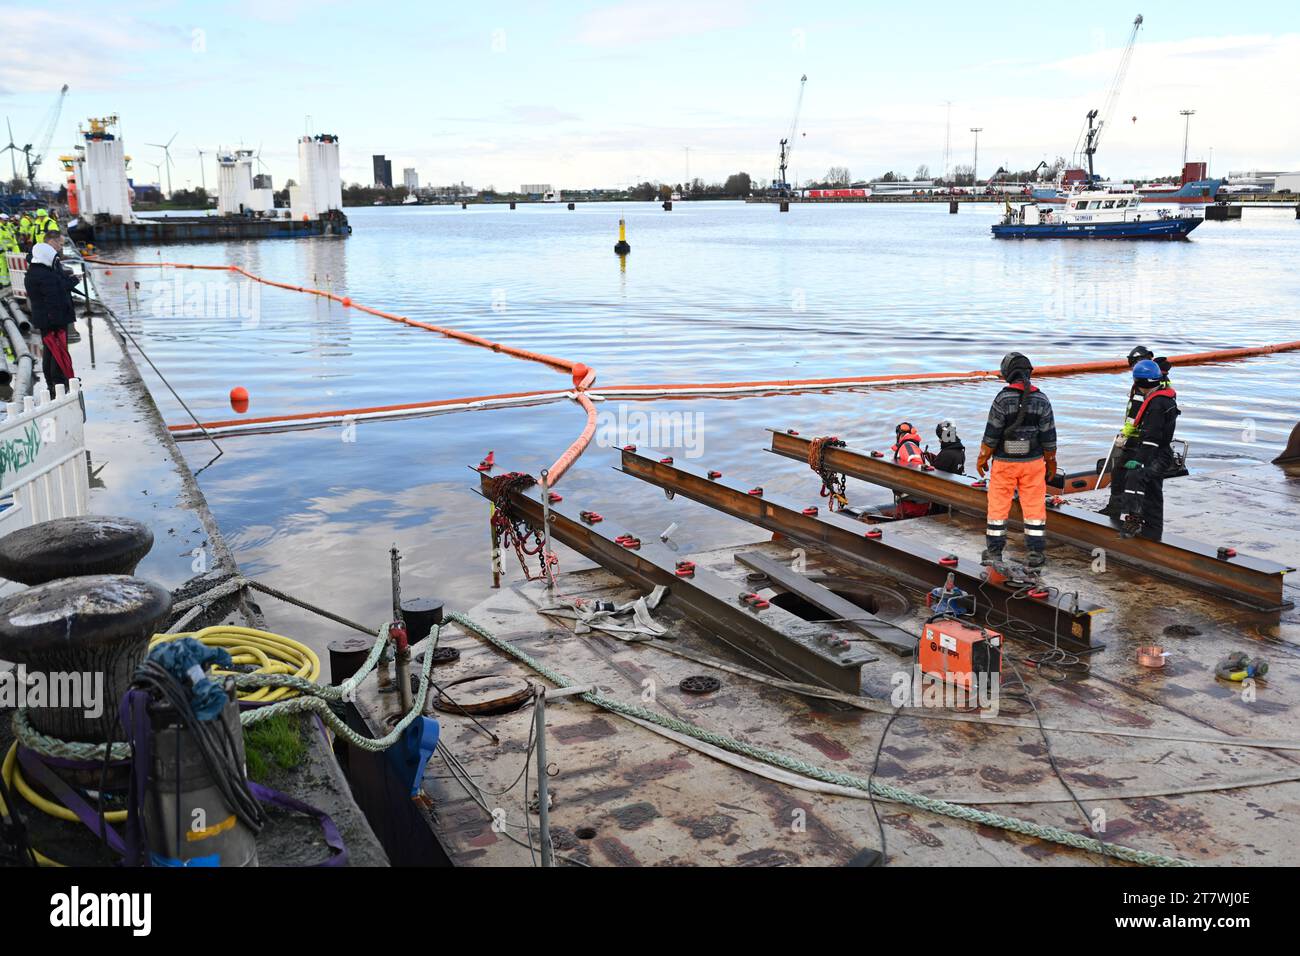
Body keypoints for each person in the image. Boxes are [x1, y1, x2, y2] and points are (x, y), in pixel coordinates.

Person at [977, 352, 1057, 570]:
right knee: (1034, 508)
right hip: (1033, 463)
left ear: (1007, 374)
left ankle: (994, 552)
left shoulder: (1002, 399)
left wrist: (982, 458)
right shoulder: (1041, 399)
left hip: (1005, 463)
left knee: (998, 507)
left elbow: (991, 434)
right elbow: (1049, 436)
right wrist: (1051, 461)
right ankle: (1035, 553)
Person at [1100, 345, 1172, 517]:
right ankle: (1123, 509)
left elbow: (1136, 414)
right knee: (1123, 473)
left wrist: (1125, 433)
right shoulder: (1159, 379)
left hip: (1141, 438)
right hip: (1145, 437)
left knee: (1124, 473)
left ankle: (1128, 511)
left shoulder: (1145, 384)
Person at [1118, 359, 1179, 539]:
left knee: (1136, 476)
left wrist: (1139, 460)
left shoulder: (1157, 404)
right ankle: (1153, 531)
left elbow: (1152, 437)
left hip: (1157, 453)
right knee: (1153, 492)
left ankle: (1134, 517)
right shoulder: (1162, 397)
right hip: (1160, 451)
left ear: (1140, 382)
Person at [24, 240, 79, 398]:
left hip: (44, 319)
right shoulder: (45, 275)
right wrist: (58, 321)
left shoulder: (33, 272)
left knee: (49, 351)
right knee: (57, 351)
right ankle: (58, 382)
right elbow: (54, 298)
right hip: (53, 320)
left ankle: (52, 383)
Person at [890, 421, 931, 518]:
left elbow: (916, 464)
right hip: (914, 498)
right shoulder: (911, 446)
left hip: (912, 500)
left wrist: (904, 484)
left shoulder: (907, 446)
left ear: (899, 435)